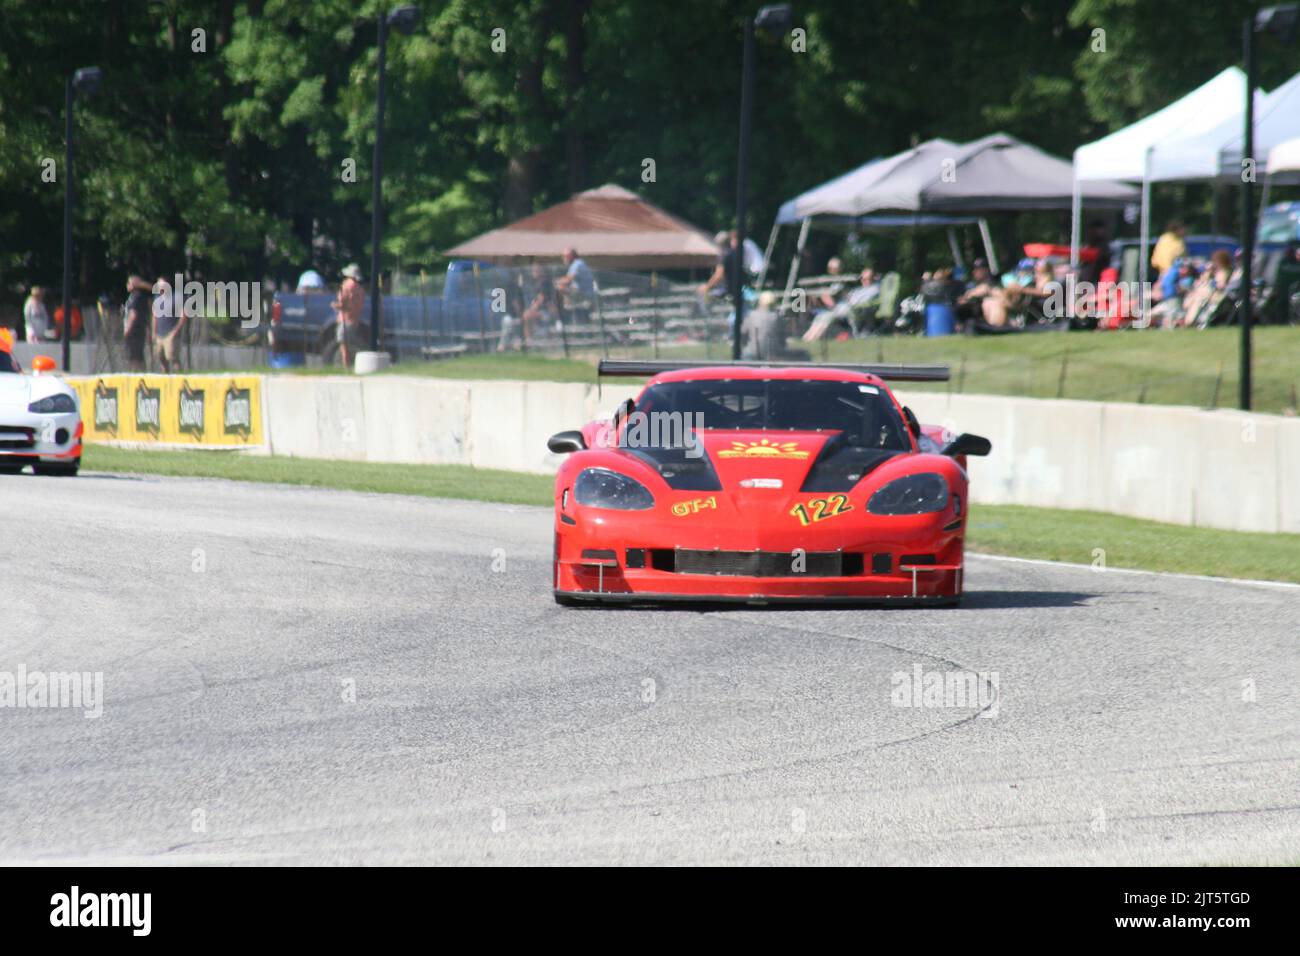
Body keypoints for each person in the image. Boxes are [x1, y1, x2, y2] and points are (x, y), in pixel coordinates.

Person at [331, 263, 365, 367]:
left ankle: (346, 365)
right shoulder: (360, 289)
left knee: (343, 344)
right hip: (355, 319)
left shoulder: (346, 285)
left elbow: (343, 303)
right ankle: (349, 364)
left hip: (345, 318)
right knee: (350, 343)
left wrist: (335, 305)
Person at [152, 275, 187, 373]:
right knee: (161, 358)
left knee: (173, 357)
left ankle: (179, 380)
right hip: (159, 334)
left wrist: (175, 331)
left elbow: (183, 315)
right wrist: (154, 332)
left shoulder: (176, 297)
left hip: (171, 333)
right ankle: (166, 379)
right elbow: (154, 316)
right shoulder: (157, 298)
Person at [554, 247, 595, 326]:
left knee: (559, 288)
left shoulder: (578, 264)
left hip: (584, 294)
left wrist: (555, 282)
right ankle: (560, 315)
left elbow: (568, 279)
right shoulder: (574, 265)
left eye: (565, 256)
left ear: (571, 256)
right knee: (560, 287)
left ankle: (559, 317)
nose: (563, 259)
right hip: (577, 293)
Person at [122, 275, 152, 371]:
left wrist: (127, 329)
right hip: (136, 330)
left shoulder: (137, 297)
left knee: (135, 356)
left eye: (129, 283)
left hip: (135, 331)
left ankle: (138, 373)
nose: (127, 285)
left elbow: (133, 314)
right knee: (135, 355)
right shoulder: (133, 297)